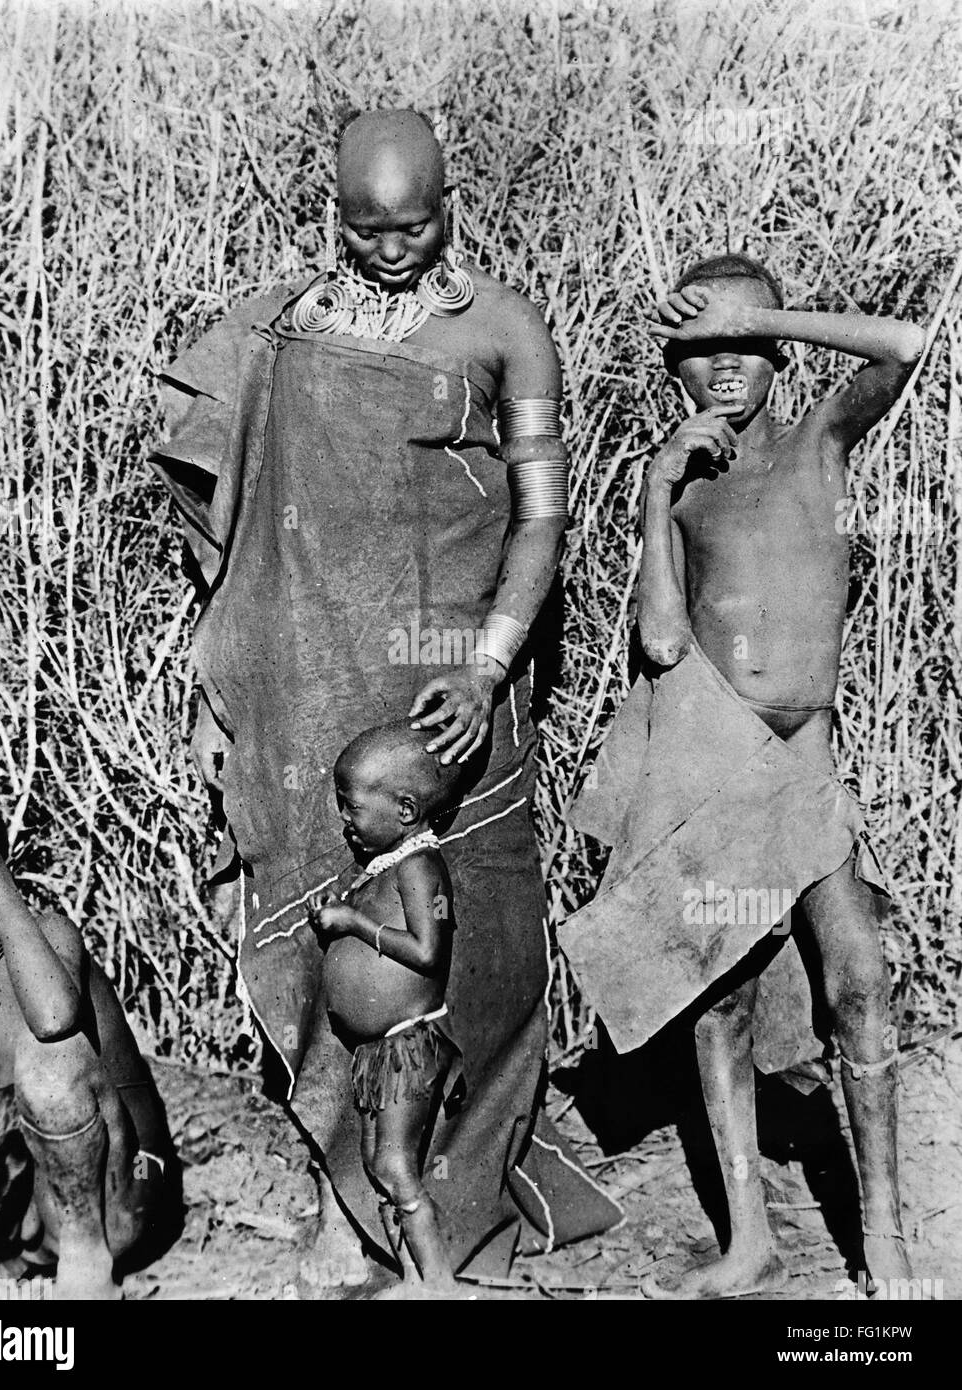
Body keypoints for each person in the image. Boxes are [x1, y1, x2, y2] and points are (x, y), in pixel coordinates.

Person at [152, 108, 621, 1287]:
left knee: (483, 946)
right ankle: (343, 1203)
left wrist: (487, 665)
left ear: (450, 206)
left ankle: (453, 1199)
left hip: (451, 684)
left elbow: (542, 513)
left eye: (414, 226)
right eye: (368, 230)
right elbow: (220, 452)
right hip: (315, 675)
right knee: (323, 927)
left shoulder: (508, 328)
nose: (393, 249)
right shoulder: (290, 324)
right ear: (337, 218)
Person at [631, 253, 924, 1296]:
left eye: (746, 348)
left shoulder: (815, 446)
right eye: (702, 350)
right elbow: (661, 643)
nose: (725, 369)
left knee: (859, 981)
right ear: (675, 371)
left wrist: (767, 312)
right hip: (719, 764)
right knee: (721, 998)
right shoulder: (684, 490)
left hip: (807, 763)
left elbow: (905, 344)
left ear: (777, 356)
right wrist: (656, 487)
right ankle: (748, 1238)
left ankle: (882, 1237)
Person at [0, 784, 177, 1299]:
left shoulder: (48, 935)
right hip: (7, 1197)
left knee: (51, 1053)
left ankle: (85, 1269)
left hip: (116, 1198)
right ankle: (14, 1258)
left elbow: (55, 1019)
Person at [307, 723, 462, 1292]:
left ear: (404, 809)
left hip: (408, 1047)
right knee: (380, 1168)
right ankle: (415, 1280)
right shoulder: (386, 866)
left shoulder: (421, 867)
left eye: (351, 808)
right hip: (379, 1052)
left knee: (396, 1169)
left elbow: (427, 949)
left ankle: (440, 1286)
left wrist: (354, 923)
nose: (345, 821)